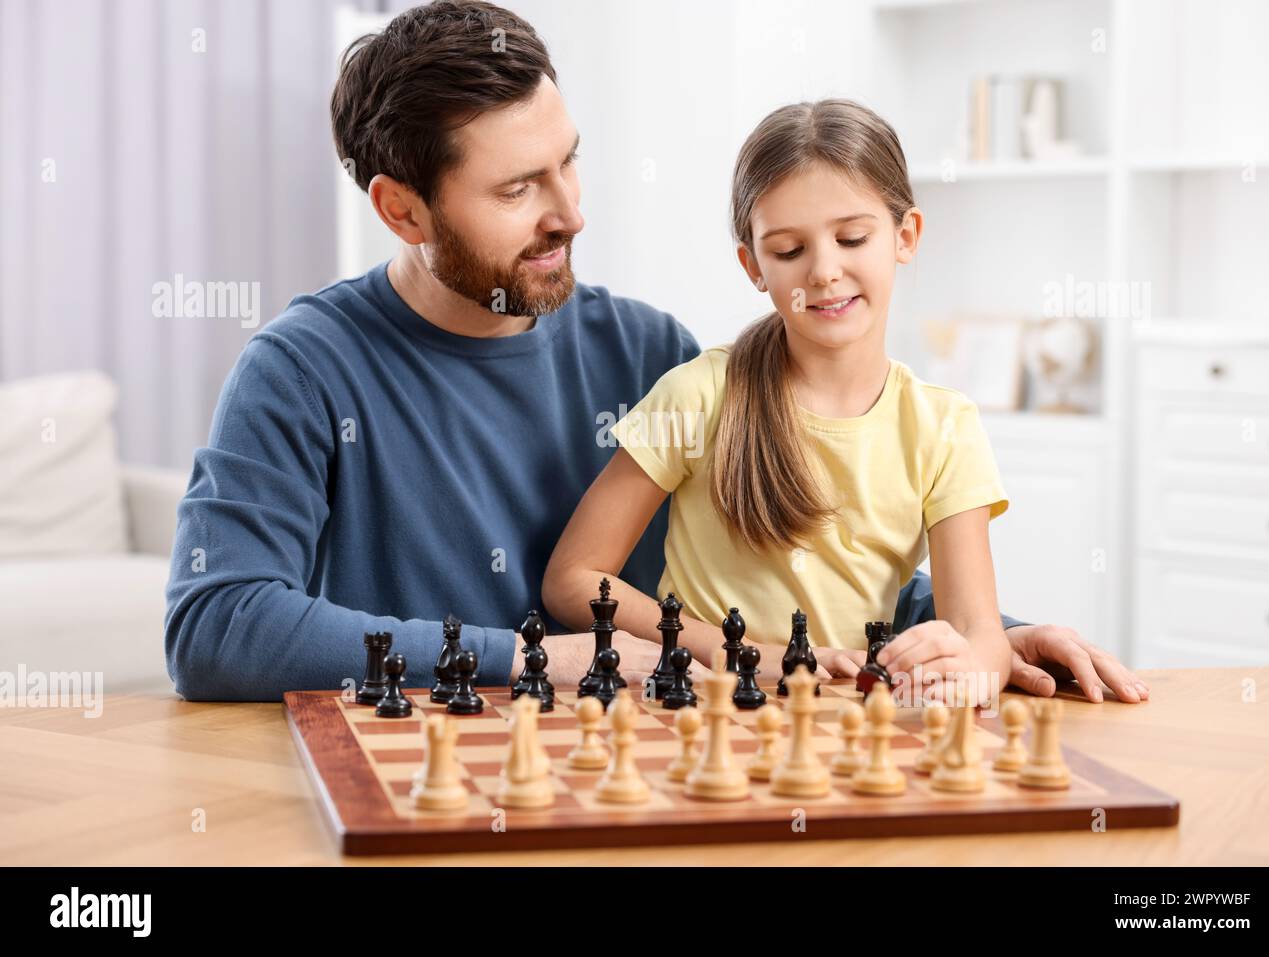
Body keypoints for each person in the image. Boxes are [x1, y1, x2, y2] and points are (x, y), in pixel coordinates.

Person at [164, 0, 1147, 705]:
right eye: (517, 191)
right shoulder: (301, 370)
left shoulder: (647, 352)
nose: (571, 213)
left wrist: (994, 634)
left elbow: (798, 561)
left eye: (570, 160)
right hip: (418, 786)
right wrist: (524, 656)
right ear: (401, 207)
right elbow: (216, 630)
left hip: (631, 776)